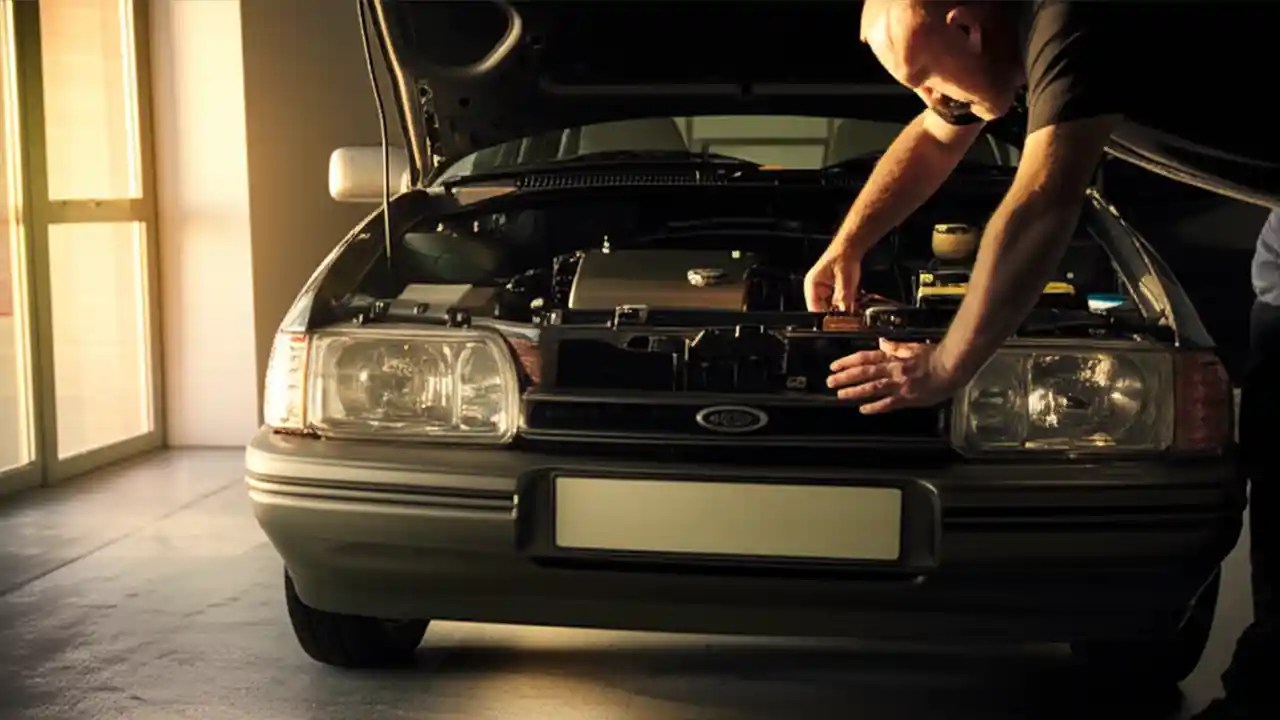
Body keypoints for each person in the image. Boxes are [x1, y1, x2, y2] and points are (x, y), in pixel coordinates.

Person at [803, 1, 1279, 717]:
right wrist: (850, 242)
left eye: (926, 79)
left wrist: (943, 369)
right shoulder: (999, 48)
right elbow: (935, 138)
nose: (932, 101)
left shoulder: (1075, 20)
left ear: (965, 26)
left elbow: (1042, 202)